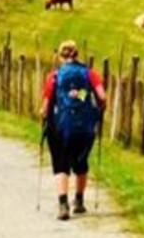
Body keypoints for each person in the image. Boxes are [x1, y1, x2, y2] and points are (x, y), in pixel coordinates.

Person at [39, 40, 106, 220]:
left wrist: (45, 116)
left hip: (61, 127)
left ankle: (63, 204)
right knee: (81, 162)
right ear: (77, 55)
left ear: (60, 56)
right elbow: (101, 96)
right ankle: (79, 201)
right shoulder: (89, 73)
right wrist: (95, 109)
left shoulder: (55, 76)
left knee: (61, 165)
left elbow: (45, 108)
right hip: (84, 128)